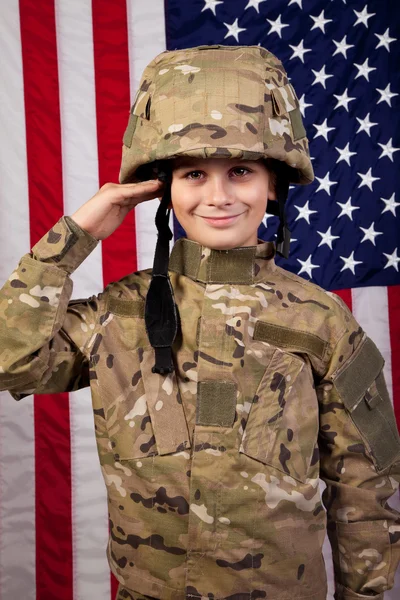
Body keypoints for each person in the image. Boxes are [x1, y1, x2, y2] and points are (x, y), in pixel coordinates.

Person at [0, 44, 399, 600]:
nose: (217, 196)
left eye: (240, 171)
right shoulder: (117, 313)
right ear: (164, 190)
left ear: (273, 187)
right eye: (193, 173)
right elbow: (10, 362)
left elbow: (365, 485)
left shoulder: (323, 322)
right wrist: (76, 235)